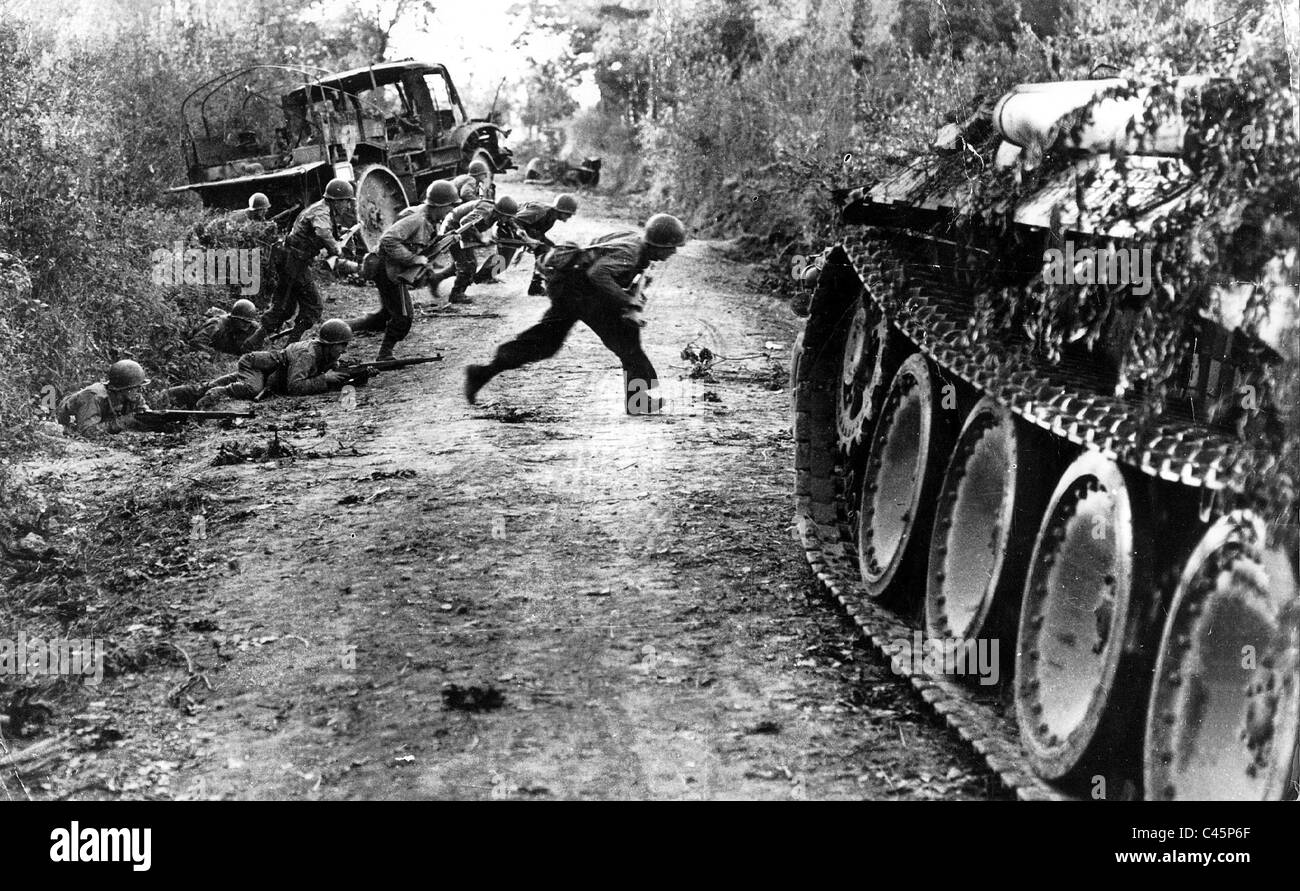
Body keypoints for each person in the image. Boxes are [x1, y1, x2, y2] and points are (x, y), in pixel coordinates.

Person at [463, 213, 687, 415]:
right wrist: (627, 300)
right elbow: (598, 274)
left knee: (547, 341)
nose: (673, 252)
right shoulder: (631, 251)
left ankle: (482, 374)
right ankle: (638, 401)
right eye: (672, 247)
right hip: (578, 290)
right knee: (625, 342)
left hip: (572, 286)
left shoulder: (633, 241)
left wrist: (628, 295)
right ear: (659, 244)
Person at [344, 181, 460, 360]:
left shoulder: (429, 219)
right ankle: (384, 355)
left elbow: (426, 242)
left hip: (390, 267)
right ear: (439, 205)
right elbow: (388, 240)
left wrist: (447, 239)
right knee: (403, 317)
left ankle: (342, 327)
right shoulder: (417, 219)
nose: (450, 212)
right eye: (449, 207)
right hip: (387, 269)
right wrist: (413, 259)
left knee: (384, 316)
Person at [241, 178, 357, 351]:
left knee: (285, 307)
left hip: (290, 261)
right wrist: (336, 250)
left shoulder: (322, 210)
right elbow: (323, 232)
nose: (347, 206)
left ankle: (253, 342)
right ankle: (288, 348)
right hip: (294, 263)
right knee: (313, 307)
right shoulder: (322, 212)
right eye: (346, 202)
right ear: (336, 200)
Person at [195, 319, 357, 407]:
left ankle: (175, 395)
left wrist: (361, 374)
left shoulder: (325, 353)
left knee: (201, 387)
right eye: (342, 345)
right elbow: (295, 386)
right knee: (252, 388)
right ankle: (217, 393)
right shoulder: (307, 355)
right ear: (329, 344)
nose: (344, 350)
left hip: (265, 373)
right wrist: (325, 379)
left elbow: (336, 377)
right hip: (253, 364)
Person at [443, 195, 519, 305]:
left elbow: (510, 222)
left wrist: (519, 231)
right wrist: (481, 238)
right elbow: (465, 222)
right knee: (468, 264)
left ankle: (439, 280)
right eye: (506, 217)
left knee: (467, 262)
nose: (507, 220)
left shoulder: (498, 213)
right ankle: (456, 295)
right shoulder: (486, 210)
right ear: (500, 213)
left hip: (464, 231)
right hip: (453, 229)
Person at [496, 193, 578, 295]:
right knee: (500, 266)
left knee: (548, 251)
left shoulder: (551, 216)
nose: (566, 220)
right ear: (561, 210)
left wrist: (551, 247)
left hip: (520, 234)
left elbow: (537, 233)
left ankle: (536, 287)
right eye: (568, 215)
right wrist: (527, 239)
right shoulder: (541, 211)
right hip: (508, 232)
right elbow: (513, 220)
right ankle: (476, 278)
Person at [57, 360, 152, 434]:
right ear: (123, 389)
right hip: (61, 425)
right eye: (136, 388)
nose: (140, 391)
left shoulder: (132, 396)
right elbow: (86, 431)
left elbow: (146, 416)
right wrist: (122, 422)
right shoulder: (93, 396)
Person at [193, 299, 260, 356]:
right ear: (234, 318)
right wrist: (215, 354)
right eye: (243, 321)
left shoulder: (253, 327)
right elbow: (197, 342)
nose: (247, 325)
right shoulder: (217, 325)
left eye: (249, 322)